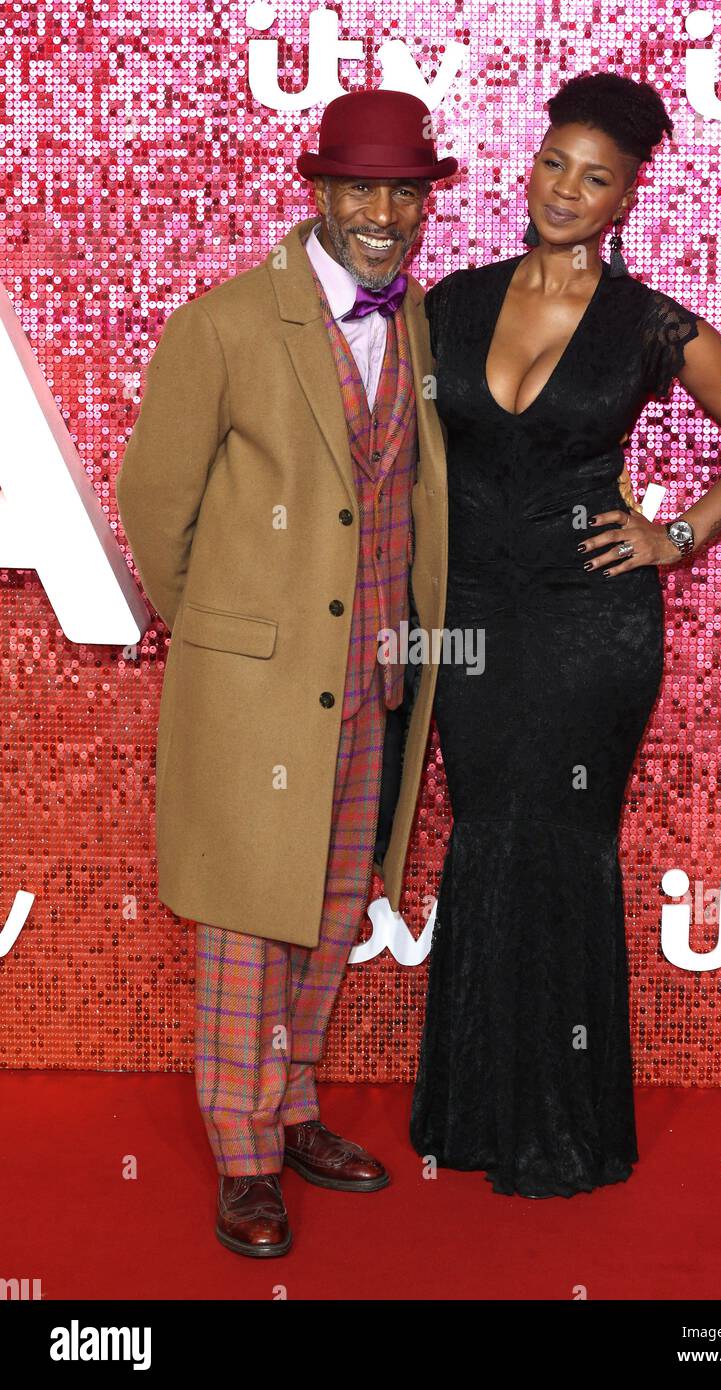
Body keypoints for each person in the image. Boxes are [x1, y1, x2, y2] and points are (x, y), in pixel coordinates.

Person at [409, 72, 721, 1198]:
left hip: (592, 625)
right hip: (468, 619)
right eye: (554, 165)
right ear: (528, 164)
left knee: (559, 842)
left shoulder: (647, 324)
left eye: (595, 179)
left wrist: (673, 536)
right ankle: (478, 1110)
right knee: (488, 831)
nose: (565, 192)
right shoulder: (453, 301)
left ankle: (561, 1130)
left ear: (627, 197)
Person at [115, 89, 463, 1256]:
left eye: (402, 193)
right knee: (242, 926)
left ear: (422, 207)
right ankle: (244, 1154)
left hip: (370, 680)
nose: (380, 213)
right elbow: (153, 507)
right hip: (261, 686)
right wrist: (231, 647)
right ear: (316, 192)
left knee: (326, 913)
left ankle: (293, 1102)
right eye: (359, 189)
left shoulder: (409, 322)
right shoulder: (220, 324)